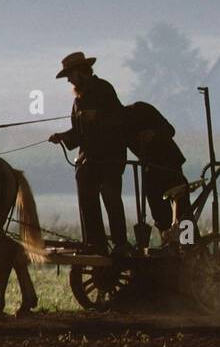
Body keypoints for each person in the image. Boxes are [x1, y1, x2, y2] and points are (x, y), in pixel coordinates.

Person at [48, 52, 130, 255]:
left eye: (70, 75)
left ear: (81, 73)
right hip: (89, 159)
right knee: (86, 200)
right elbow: (78, 133)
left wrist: (98, 116)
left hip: (110, 157)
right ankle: (95, 244)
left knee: (111, 198)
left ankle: (121, 244)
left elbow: (120, 118)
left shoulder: (104, 89)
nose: (68, 80)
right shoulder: (78, 101)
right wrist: (62, 137)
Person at [120, 100, 192, 242]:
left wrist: (154, 133)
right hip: (151, 171)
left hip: (170, 165)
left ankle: (190, 247)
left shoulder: (140, 109)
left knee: (182, 211)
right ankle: (169, 246)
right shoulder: (117, 127)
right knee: (159, 214)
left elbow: (169, 130)